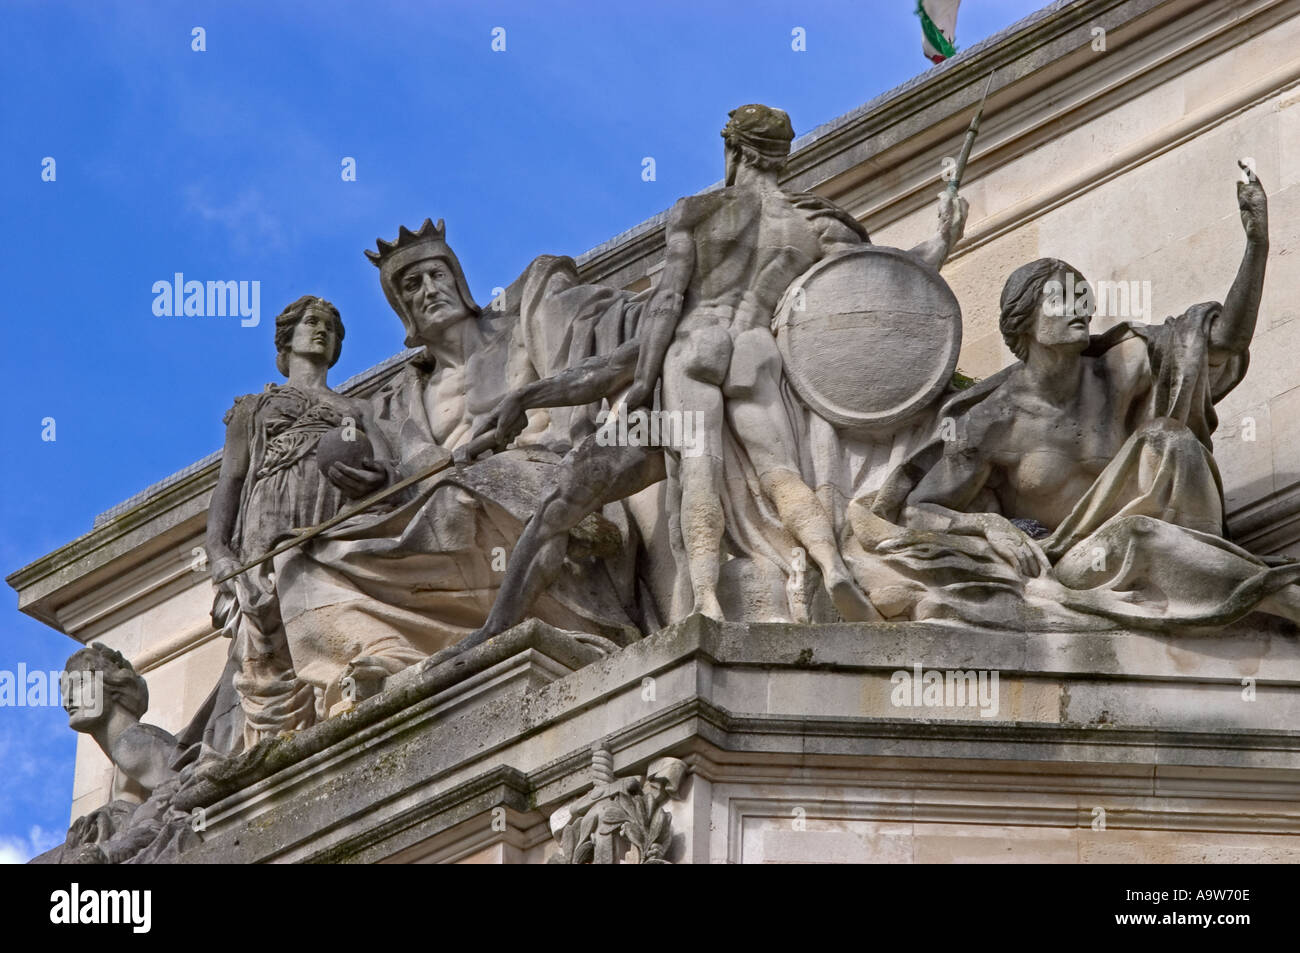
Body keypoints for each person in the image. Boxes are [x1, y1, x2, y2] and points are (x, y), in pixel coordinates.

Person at [870, 163, 1300, 628]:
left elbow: (1221, 341)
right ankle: (1275, 595)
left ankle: (1248, 585)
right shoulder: (994, 420)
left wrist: (1256, 246)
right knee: (1136, 534)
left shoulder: (1120, 368)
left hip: (1164, 532)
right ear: (1024, 321)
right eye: (1062, 302)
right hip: (1073, 558)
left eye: (1083, 301)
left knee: (1169, 439)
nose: (1080, 311)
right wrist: (988, 525)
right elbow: (916, 509)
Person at [206, 295, 387, 745]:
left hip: (335, 514)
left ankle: (339, 697)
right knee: (268, 627)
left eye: (329, 324)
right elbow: (230, 480)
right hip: (267, 516)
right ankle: (277, 733)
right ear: (286, 340)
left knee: (328, 601)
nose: (321, 330)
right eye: (311, 322)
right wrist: (218, 551)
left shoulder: (358, 409)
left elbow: (388, 470)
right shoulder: (252, 408)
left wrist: (374, 478)